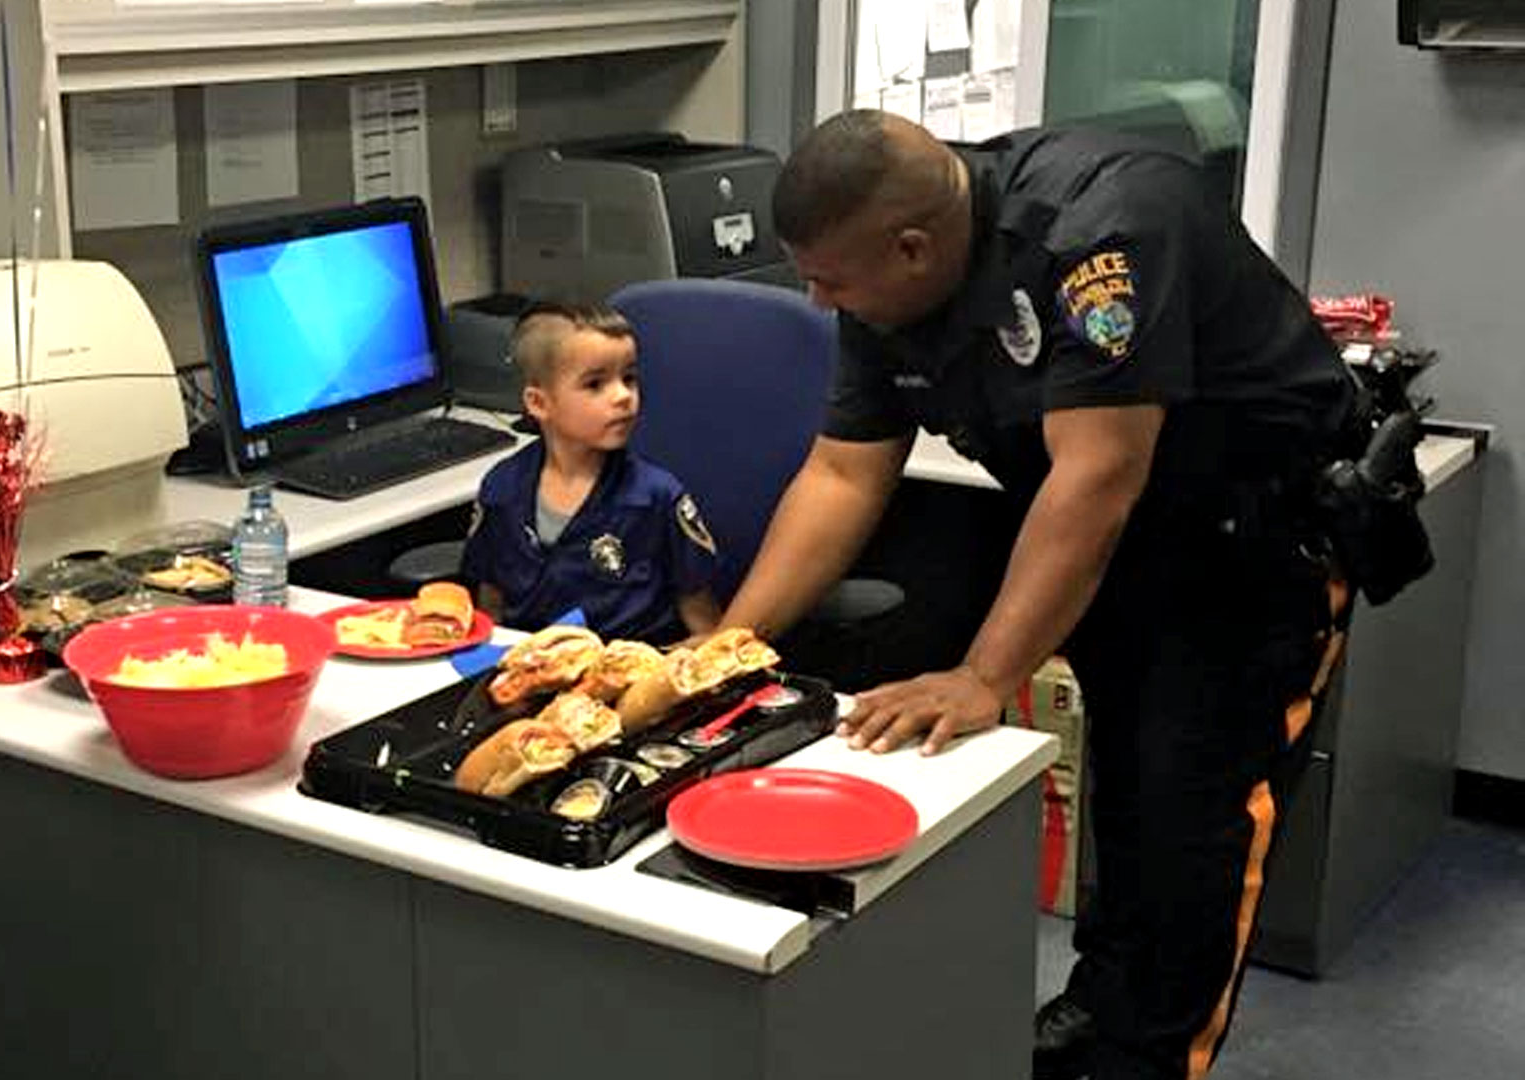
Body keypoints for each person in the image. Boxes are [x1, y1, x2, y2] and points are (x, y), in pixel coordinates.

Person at [719, 111, 1361, 1080]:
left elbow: (1098, 475)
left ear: (912, 246)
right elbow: (844, 474)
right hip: (1116, 548)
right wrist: (726, 646)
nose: (817, 303)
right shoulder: (882, 281)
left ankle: (1149, 1058)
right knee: (1130, 798)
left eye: (831, 281)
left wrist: (986, 675)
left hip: (1248, 551)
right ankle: (1097, 1018)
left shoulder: (1099, 235)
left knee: (1193, 826)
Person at [462, 301, 722, 644]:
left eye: (629, 378)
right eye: (595, 384)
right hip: (533, 670)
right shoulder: (503, 489)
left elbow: (706, 628)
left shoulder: (655, 496)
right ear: (539, 403)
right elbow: (490, 614)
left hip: (630, 671)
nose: (623, 396)